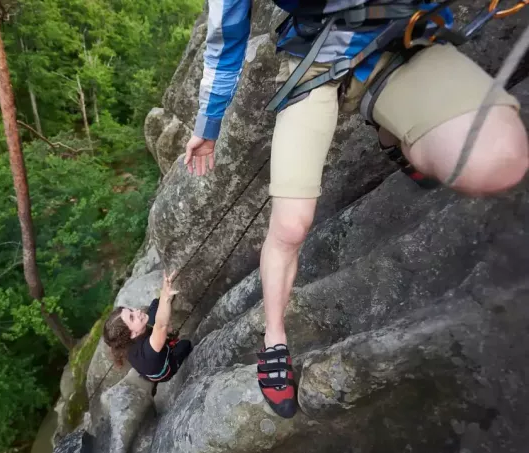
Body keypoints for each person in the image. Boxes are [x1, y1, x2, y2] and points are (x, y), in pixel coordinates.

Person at [184, 0, 529, 418]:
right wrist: (208, 124)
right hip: (313, 63)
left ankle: (388, 126)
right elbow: (226, 34)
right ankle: (273, 336)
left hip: (398, 39)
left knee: (497, 159)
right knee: (290, 228)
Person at [103, 271, 193, 385]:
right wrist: (166, 297)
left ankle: (165, 335)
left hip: (149, 347)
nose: (137, 311)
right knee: (185, 344)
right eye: (132, 317)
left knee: (156, 304)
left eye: (131, 310)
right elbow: (161, 326)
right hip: (168, 367)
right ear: (131, 334)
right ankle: (171, 348)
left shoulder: (124, 343)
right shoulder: (145, 353)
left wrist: (162, 300)